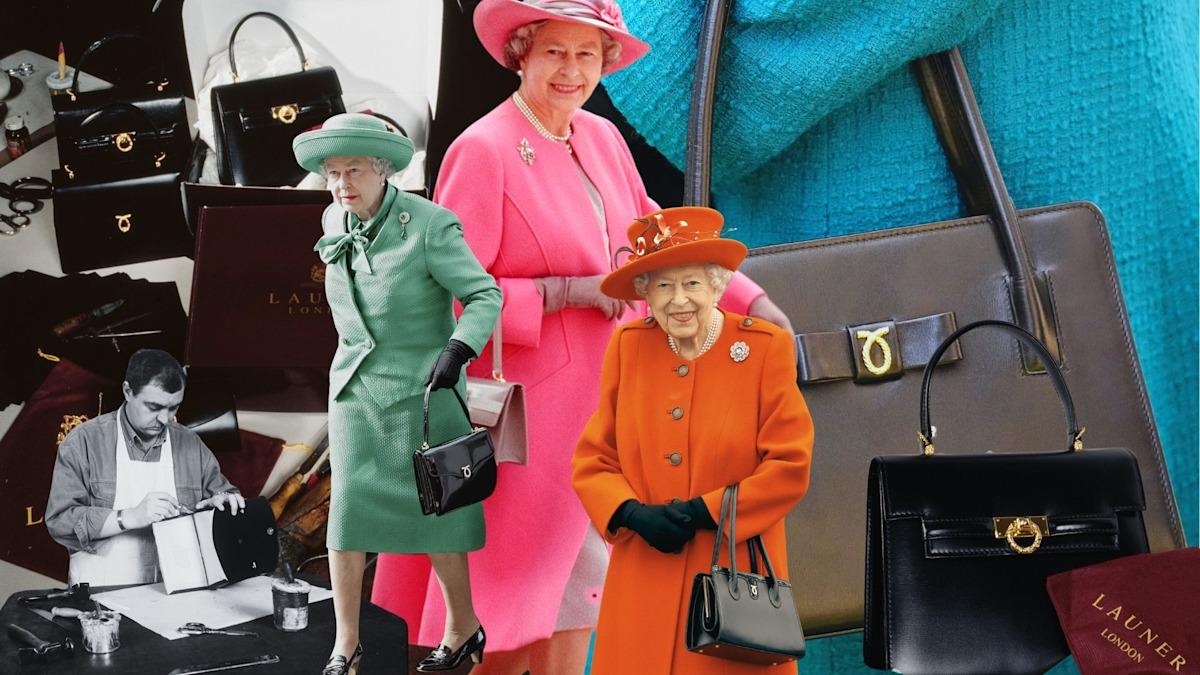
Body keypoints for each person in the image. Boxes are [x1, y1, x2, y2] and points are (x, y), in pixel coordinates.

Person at [370, 1, 795, 671]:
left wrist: (755, 300)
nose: (571, 70)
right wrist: (563, 292)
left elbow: (658, 236)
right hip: (526, 431)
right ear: (522, 54)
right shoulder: (483, 149)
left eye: (587, 55)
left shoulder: (601, 137)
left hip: (612, 417)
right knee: (506, 623)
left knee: (579, 602)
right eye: (555, 53)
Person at [291, 113, 502, 675]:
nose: (341, 184)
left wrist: (457, 350)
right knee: (346, 521)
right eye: (333, 173)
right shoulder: (334, 217)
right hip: (356, 397)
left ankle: (462, 626)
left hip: (422, 397)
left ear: (382, 169)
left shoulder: (430, 225)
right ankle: (346, 647)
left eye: (353, 169)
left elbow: (484, 295)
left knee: (437, 518)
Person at [572, 206, 813, 674]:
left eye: (691, 284)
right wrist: (628, 512)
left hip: (730, 578)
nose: (677, 300)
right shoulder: (628, 347)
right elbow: (595, 458)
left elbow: (790, 463)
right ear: (644, 293)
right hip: (643, 569)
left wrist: (706, 509)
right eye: (662, 285)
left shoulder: (764, 349)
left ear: (718, 285)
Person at [46, 349, 245, 587]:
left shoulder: (190, 444)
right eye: (154, 407)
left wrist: (221, 508)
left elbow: (226, 498)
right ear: (128, 391)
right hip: (101, 596)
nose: (164, 419)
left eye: (173, 408)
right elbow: (59, 521)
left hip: (177, 592)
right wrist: (128, 517)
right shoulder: (84, 442)